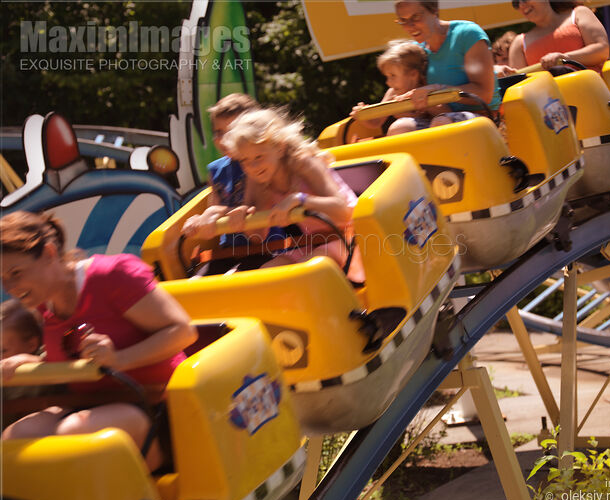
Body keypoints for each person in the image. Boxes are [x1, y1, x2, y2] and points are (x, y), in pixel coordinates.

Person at [0, 211, 197, 471]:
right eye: (3, 278)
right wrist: (36, 363)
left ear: (49, 254)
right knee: (16, 437)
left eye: (16, 273)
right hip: (91, 404)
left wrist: (119, 359)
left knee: (75, 432)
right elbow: (78, 363)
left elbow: (183, 331)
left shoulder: (112, 275)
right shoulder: (43, 304)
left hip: (157, 406)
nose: (10, 286)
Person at [182, 107, 361, 276]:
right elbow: (258, 236)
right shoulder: (256, 179)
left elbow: (344, 212)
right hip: (310, 243)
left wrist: (299, 199)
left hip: (352, 239)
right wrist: (239, 216)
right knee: (265, 275)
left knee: (306, 272)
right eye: (244, 161)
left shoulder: (303, 164)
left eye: (259, 157)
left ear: (279, 148)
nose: (252, 167)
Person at [389, 0, 502, 134]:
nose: (410, 26)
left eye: (416, 17)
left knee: (442, 123)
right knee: (399, 128)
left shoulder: (467, 34)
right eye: (403, 20)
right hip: (441, 118)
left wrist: (438, 89)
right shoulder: (418, 51)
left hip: (485, 118)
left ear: (434, 10)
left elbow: (484, 94)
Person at [351, 39, 474, 135]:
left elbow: (447, 112)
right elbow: (376, 121)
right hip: (409, 132)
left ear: (413, 74)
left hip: (432, 129)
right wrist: (362, 116)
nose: (388, 82)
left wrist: (427, 105)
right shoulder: (392, 93)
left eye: (392, 76)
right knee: (399, 127)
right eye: (387, 77)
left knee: (406, 125)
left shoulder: (425, 89)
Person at [184, 93, 261, 247]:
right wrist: (197, 221)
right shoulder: (216, 170)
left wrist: (218, 212)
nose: (224, 139)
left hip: (263, 247)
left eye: (232, 131)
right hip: (227, 250)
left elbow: (260, 210)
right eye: (218, 132)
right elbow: (212, 212)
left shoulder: (259, 165)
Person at [507, 0, 609, 74]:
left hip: (592, 93)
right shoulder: (519, 43)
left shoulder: (578, 13)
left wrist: (565, 58)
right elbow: (518, 82)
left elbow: (602, 50)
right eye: (516, 2)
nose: (521, 4)